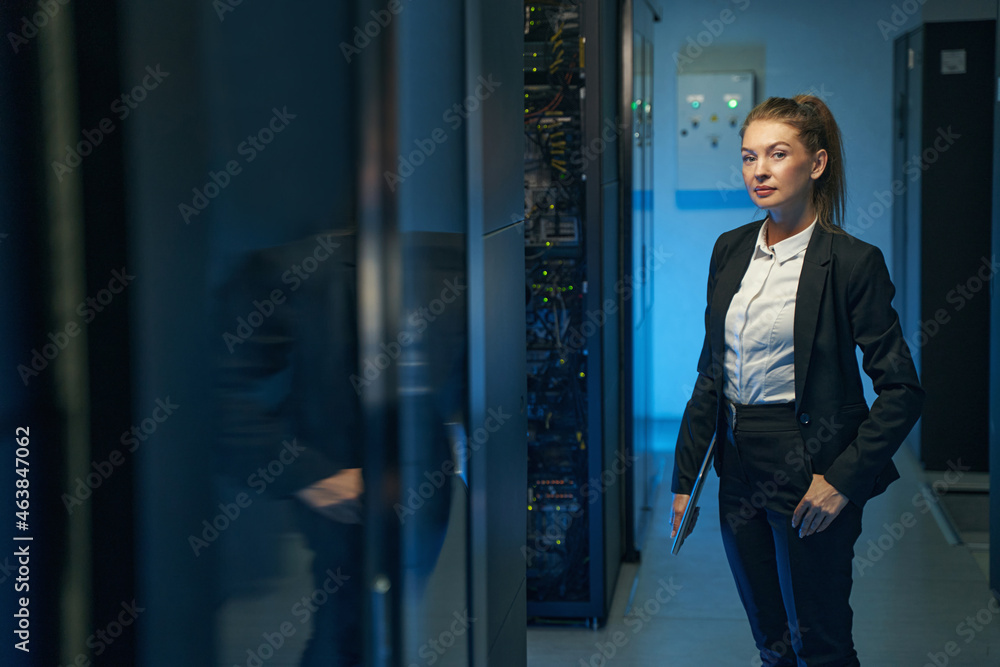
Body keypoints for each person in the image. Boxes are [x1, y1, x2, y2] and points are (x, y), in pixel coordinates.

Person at [669, 95, 924, 666]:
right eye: (748, 156)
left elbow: (903, 389)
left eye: (777, 154)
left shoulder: (852, 262)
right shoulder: (730, 249)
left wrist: (841, 481)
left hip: (809, 465)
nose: (759, 170)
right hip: (737, 462)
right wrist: (688, 479)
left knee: (821, 643)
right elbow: (712, 371)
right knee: (772, 641)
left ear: (816, 164)